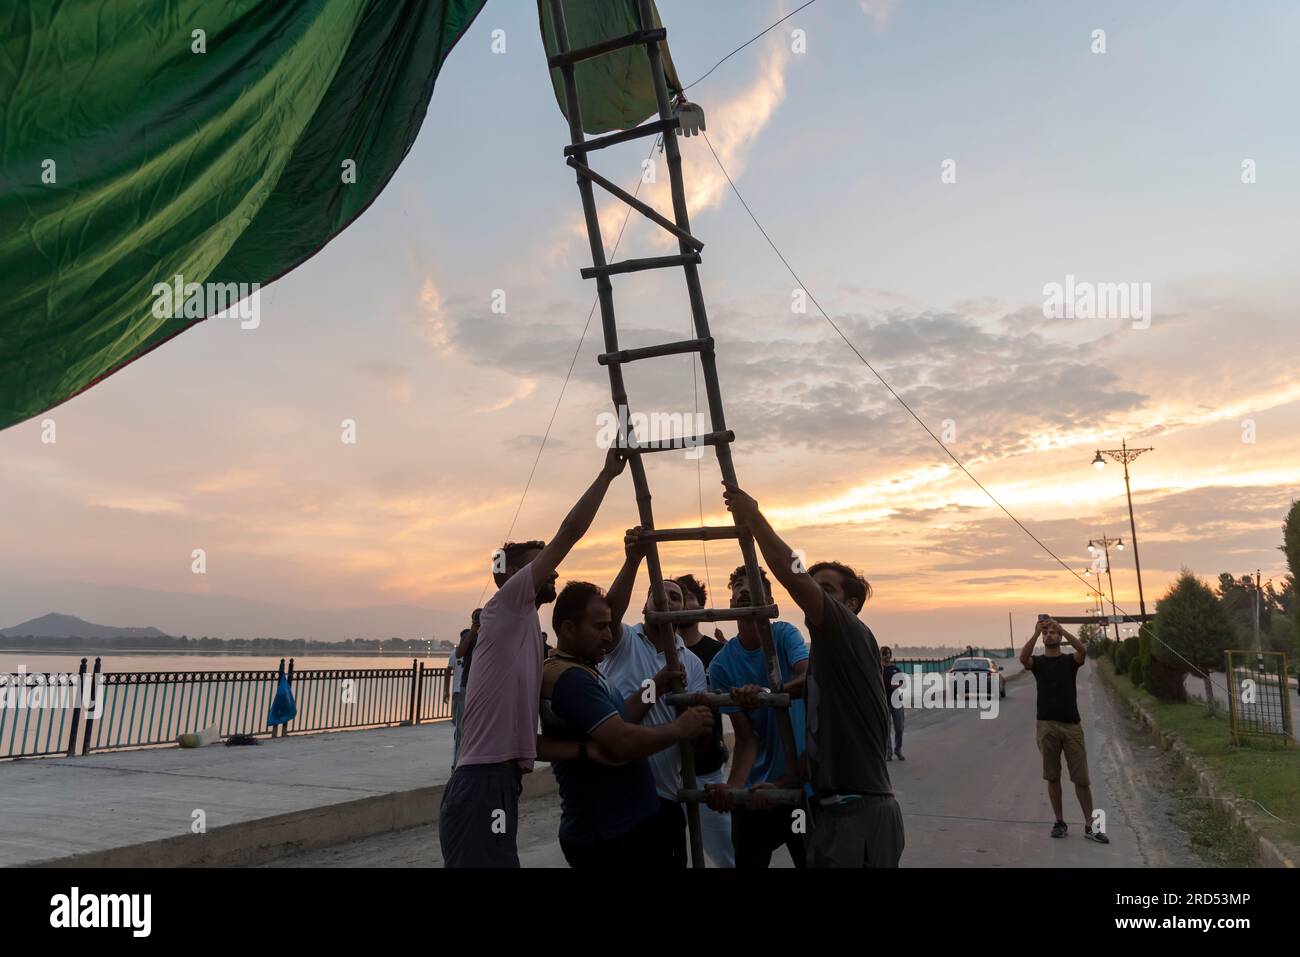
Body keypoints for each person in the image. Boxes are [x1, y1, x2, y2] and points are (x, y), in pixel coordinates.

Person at [438, 449, 627, 868]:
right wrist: (607, 474)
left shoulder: (528, 635)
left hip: (499, 783)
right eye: (539, 563)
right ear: (513, 577)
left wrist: (587, 752)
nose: (554, 571)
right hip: (482, 786)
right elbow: (570, 532)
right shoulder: (506, 605)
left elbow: (526, 742)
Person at [721, 482, 904, 868]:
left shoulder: (849, 631)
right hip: (837, 814)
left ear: (851, 604)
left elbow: (794, 577)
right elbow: (823, 748)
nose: (814, 593)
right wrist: (778, 785)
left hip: (859, 815)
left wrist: (753, 518)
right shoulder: (828, 660)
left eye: (827, 589)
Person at [543, 581, 714, 868]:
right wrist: (679, 728)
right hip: (610, 833)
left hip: (641, 819)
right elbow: (621, 740)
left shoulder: (586, 669)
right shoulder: (572, 678)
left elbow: (620, 717)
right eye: (599, 627)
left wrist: (656, 688)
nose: (608, 636)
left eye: (609, 626)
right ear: (569, 630)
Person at [602, 532, 710, 868]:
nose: (666, 600)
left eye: (675, 597)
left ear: (683, 610)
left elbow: (694, 729)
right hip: (615, 791)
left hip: (664, 794)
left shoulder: (691, 663)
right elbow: (610, 611)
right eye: (658, 594)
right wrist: (633, 560)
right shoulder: (624, 641)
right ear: (645, 604)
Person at [704, 564, 810, 869]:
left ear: (769, 599)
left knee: (811, 857)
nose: (744, 589)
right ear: (731, 599)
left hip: (800, 785)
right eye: (737, 584)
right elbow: (747, 739)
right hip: (754, 790)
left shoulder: (784, 634)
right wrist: (733, 788)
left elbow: (808, 678)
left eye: (752, 583)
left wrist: (764, 693)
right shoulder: (723, 663)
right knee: (748, 859)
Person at [1019, 617, 1109, 843]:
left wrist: (1063, 630)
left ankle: (1090, 825)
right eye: (1046, 633)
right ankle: (1059, 821)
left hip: (1071, 726)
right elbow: (1023, 659)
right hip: (1046, 725)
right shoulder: (1037, 663)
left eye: (1053, 632)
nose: (1049, 635)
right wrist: (1034, 633)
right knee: (1052, 777)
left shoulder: (1070, 660)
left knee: (1081, 779)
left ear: (1059, 638)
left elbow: (1082, 651)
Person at [674, 573, 734, 867]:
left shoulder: (717, 653)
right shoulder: (658, 651)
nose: (683, 606)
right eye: (675, 599)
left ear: (701, 605)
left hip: (707, 766)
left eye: (689, 599)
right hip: (665, 769)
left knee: (725, 850)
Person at [881, 647, 904, 762]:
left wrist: (897, 685)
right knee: (887, 729)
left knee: (899, 728)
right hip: (884, 701)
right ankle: (888, 752)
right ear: (880, 655)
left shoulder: (895, 669)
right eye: (884, 653)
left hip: (897, 701)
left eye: (888, 653)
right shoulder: (878, 669)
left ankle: (898, 749)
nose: (887, 655)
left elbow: (901, 681)